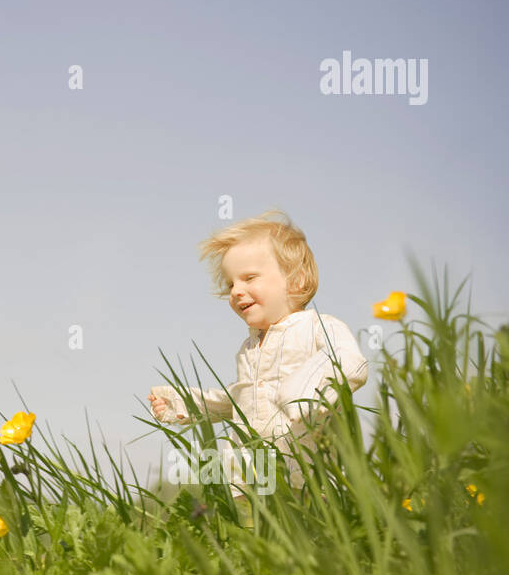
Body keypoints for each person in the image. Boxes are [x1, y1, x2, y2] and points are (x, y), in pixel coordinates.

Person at [147, 210, 367, 499]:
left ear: (296, 281)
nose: (236, 291)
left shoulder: (318, 327)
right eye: (230, 285)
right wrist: (185, 403)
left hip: (309, 478)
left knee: (311, 537)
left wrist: (306, 392)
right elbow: (239, 401)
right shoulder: (249, 348)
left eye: (249, 278)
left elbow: (350, 362)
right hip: (252, 480)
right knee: (254, 540)